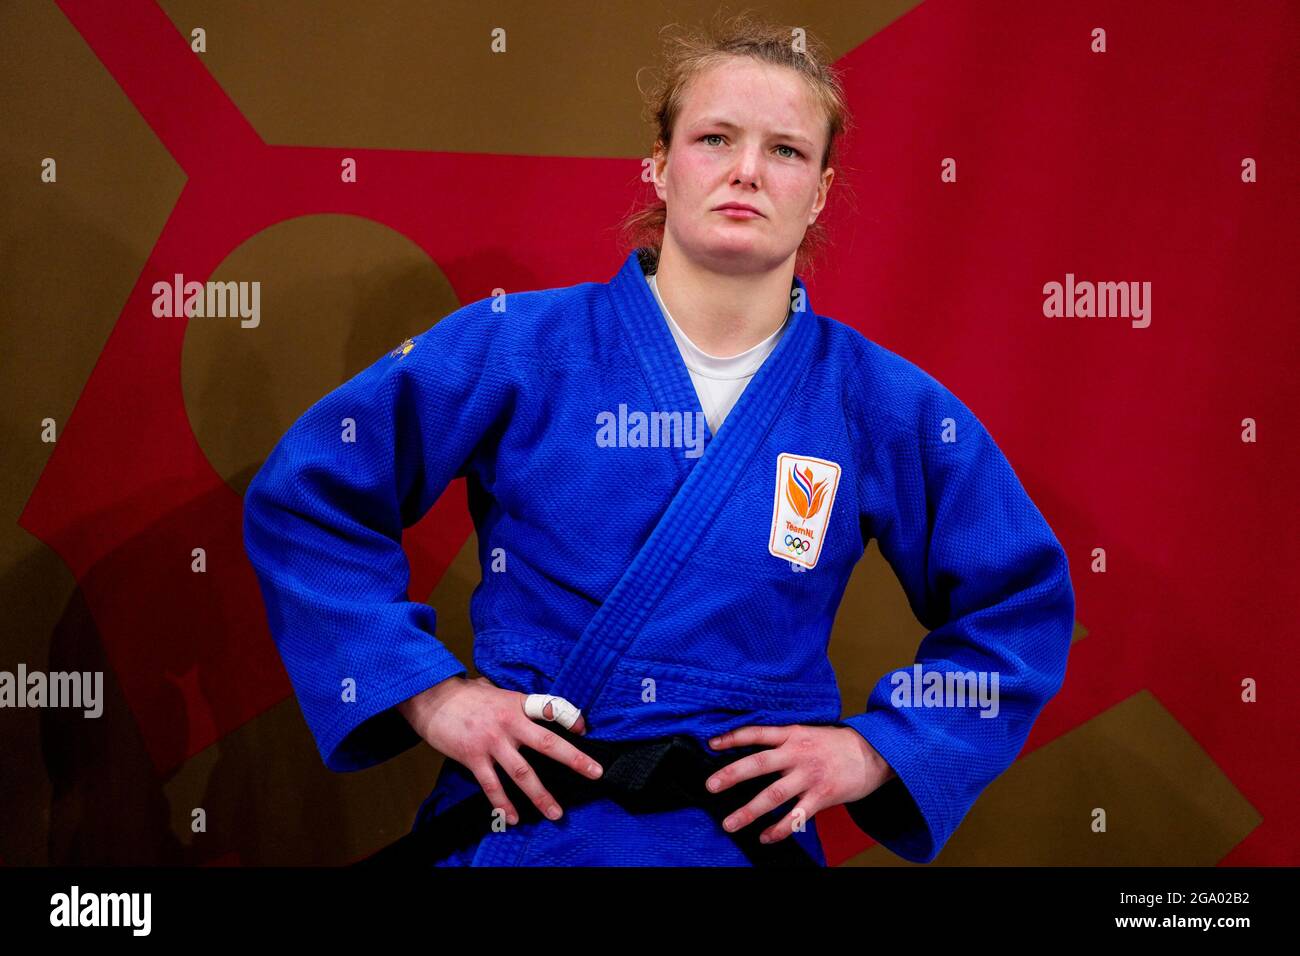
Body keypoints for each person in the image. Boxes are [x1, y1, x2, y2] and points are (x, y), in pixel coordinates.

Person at [243, 12, 1074, 867]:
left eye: (786, 151)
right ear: (659, 164)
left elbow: (1019, 604)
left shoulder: (878, 401)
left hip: (731, 842)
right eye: (714, 138)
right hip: (524, 829)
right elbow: (308, 498)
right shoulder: (517, 345)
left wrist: (878, 750)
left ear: (821, 189)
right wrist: (428, 693)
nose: (747, 172)